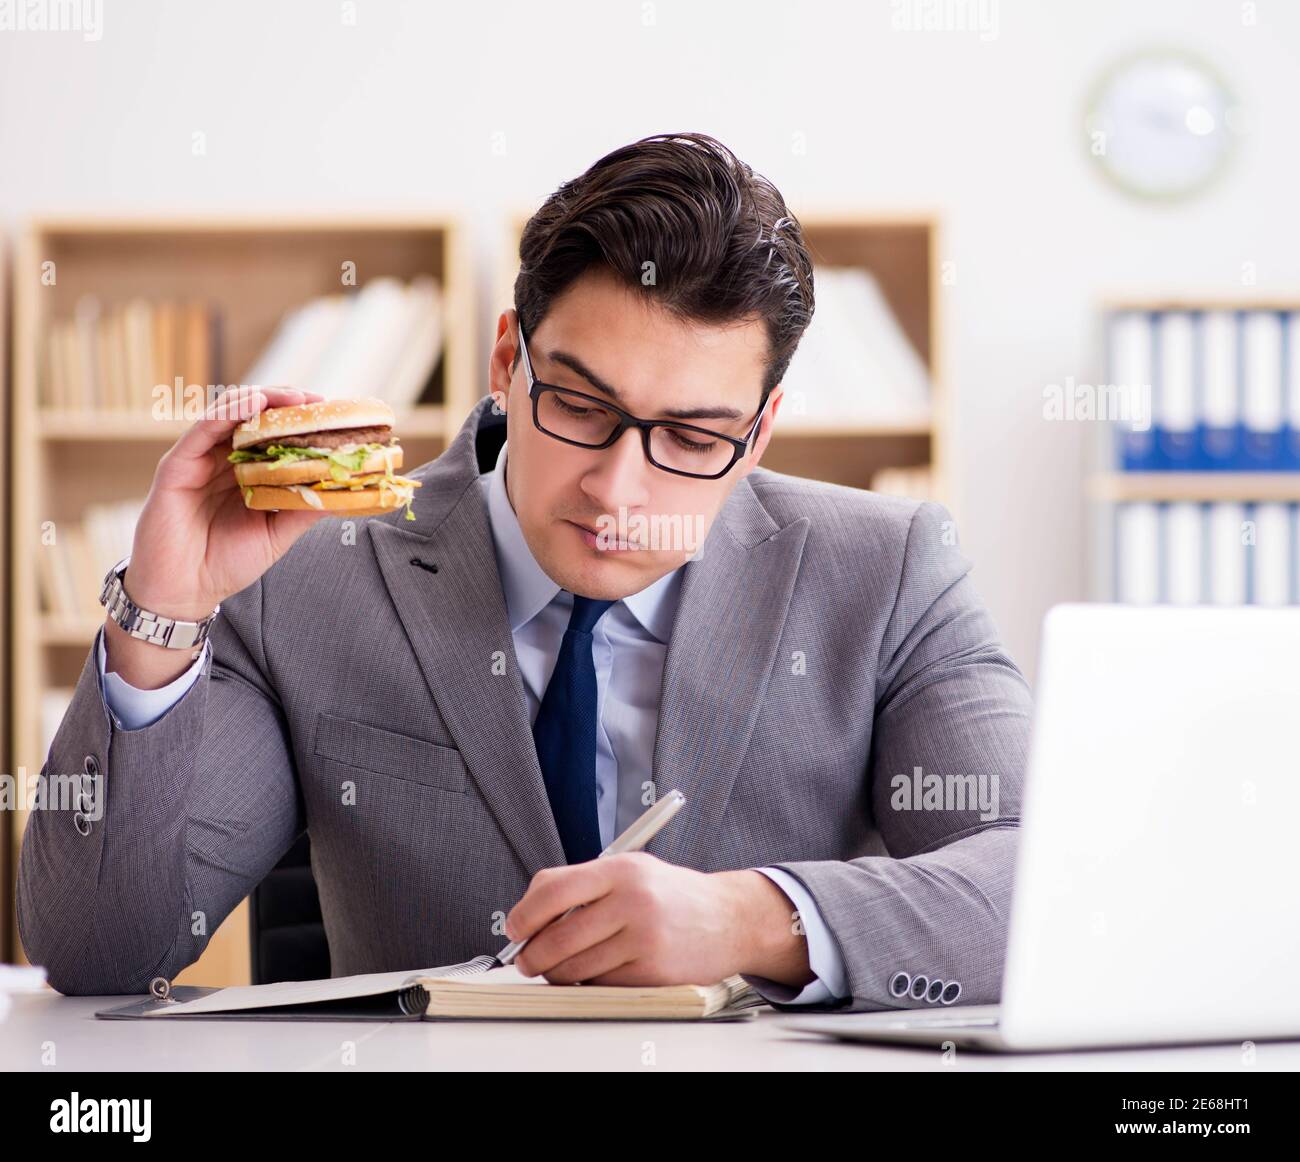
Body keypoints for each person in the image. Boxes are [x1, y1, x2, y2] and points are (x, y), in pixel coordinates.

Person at [18, 132, 1031, 1009]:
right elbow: (100, 953)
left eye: (689, 434)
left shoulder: (888, 571)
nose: (618, 488)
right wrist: (160, 613)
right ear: (508, 358)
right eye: (583, 407)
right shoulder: (305, 580)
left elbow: (1041, 882)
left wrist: (757, 918)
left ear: (759, 432)